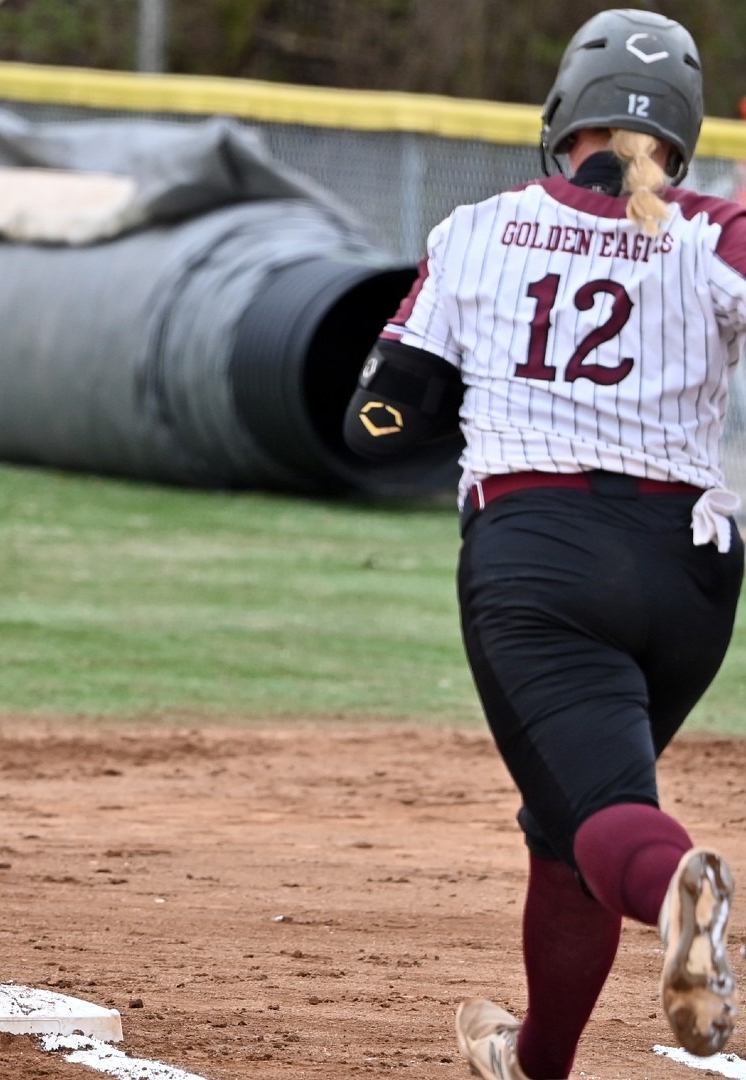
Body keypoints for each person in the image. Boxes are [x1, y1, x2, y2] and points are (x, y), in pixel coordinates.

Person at [343, 10, 741, 1077]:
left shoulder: (480, 227)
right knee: (567, 816)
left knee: (606, 816)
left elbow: (378, 423)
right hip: (692, 572)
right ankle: (537, 1060)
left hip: (542, 558)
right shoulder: (714, 230)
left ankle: (678, 895)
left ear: (566, 112)